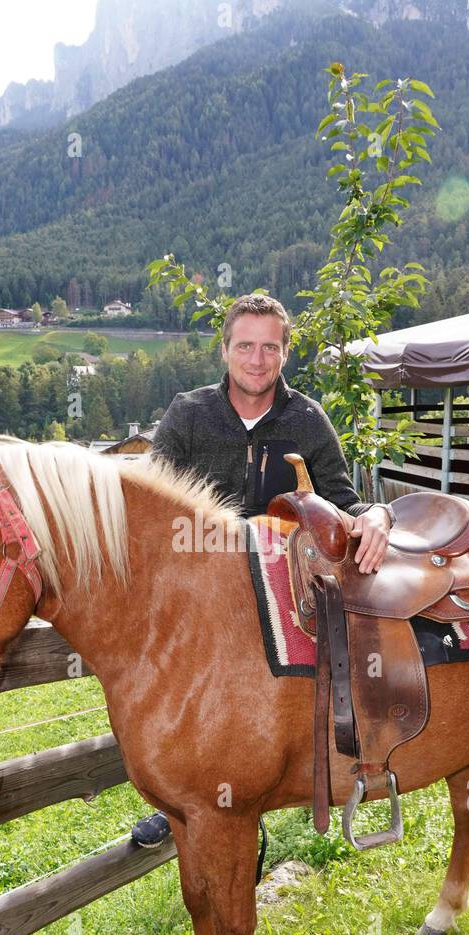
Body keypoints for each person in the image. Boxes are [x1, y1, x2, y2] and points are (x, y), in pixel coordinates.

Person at [130, 293, 392, 848]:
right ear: (225, 350)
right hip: (199, 590)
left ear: (285, 354)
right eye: (244, 346)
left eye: (269, 347)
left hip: (281, 590)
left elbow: (342, 497)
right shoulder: (188, 414)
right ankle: (184, 790)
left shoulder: (306, 418)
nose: (256, 359)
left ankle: (260, 786)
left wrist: (376, 517)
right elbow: (150, 506)